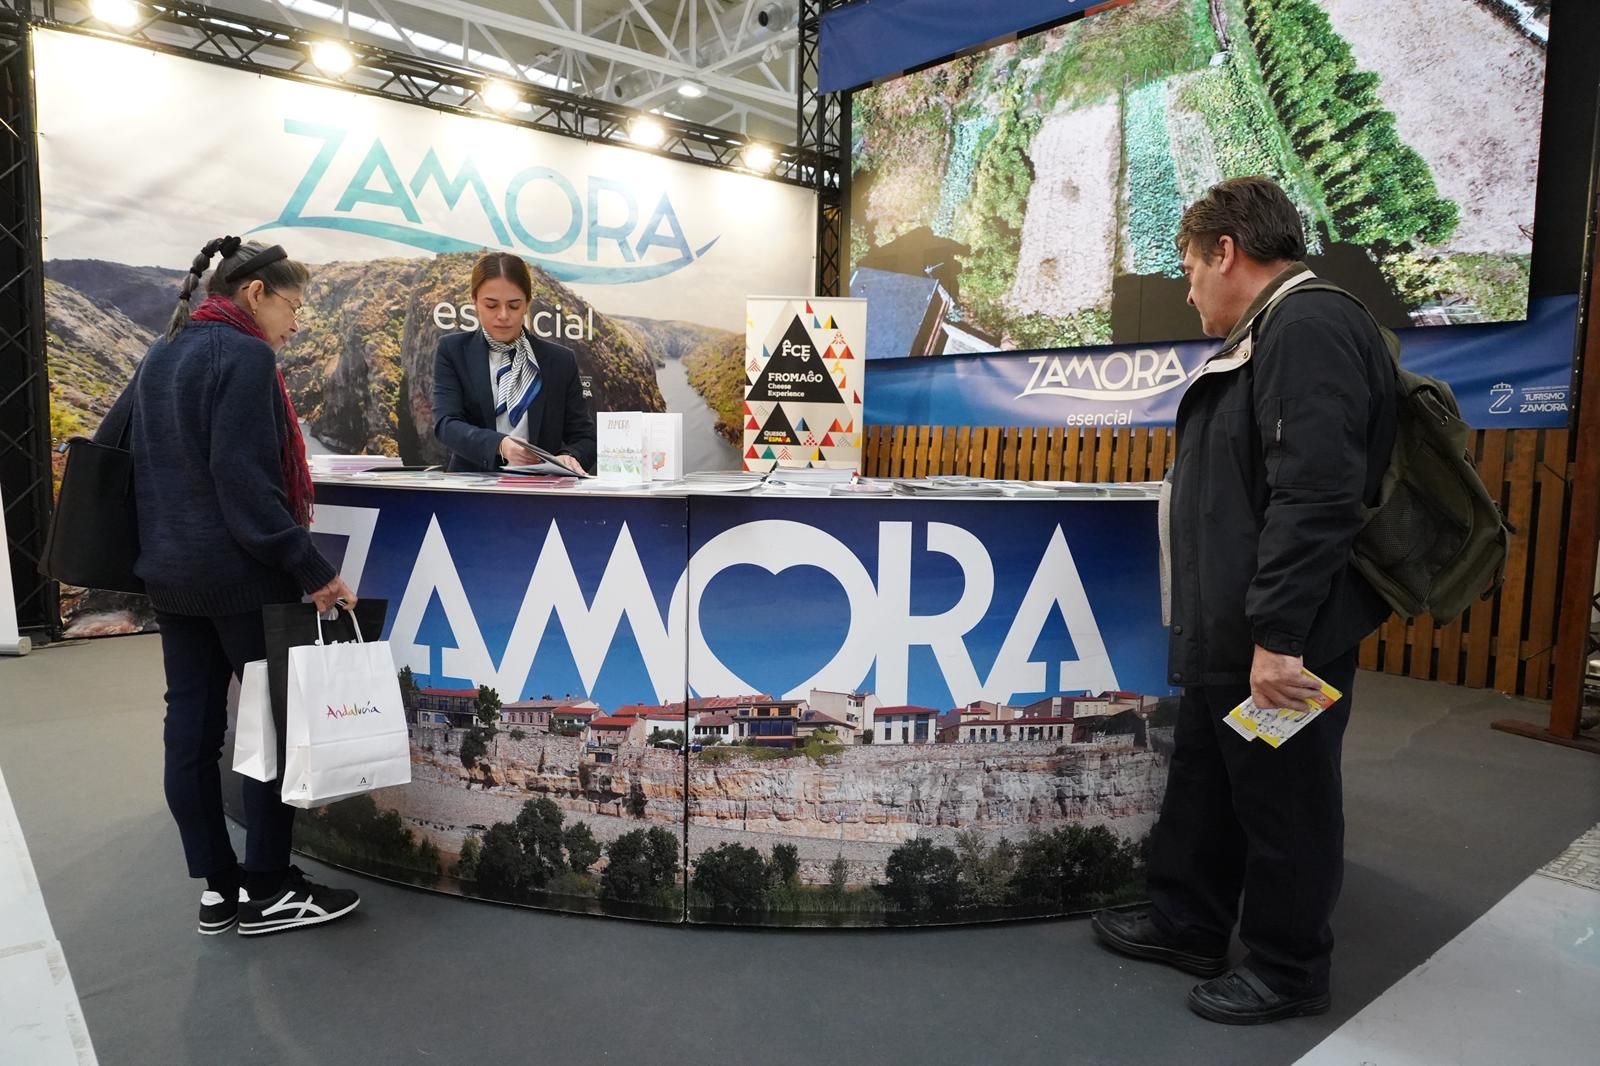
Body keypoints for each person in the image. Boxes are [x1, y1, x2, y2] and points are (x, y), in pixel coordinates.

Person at [1091, 177, 1397, 1024]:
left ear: (1227, 252)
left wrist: (1279, 636)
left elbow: (1316, 496)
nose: (1188, 291)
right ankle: (1187, 921)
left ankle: (1290, 967)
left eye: (1191, 269)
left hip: (1281, 633)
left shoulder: (1309, 327)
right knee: (1209, 776)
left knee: (1284, 796)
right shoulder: (1273, 330)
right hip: (1233, 623)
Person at [100, 236, 362, 937]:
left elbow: (115, 448)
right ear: (254, 293)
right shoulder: (244, 357)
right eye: (293, 306)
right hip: (242, 580)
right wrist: (313, 569)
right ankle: (269, 887)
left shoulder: (162, 351)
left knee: (190, 733)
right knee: (275, 727)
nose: (297, 323)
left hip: (170, 576)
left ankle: (218, 889)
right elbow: (245, 485)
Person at [431, 252, 597, 473]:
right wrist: (499, 445)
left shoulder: (560, 361)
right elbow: (446, 424)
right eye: (491, 305)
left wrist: (570, 456)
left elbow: (584, 437)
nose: (503, 315)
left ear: (528, 303)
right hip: (472, 485)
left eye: (514, 306)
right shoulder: (453, 351)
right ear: (475, 302)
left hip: (542, 488)